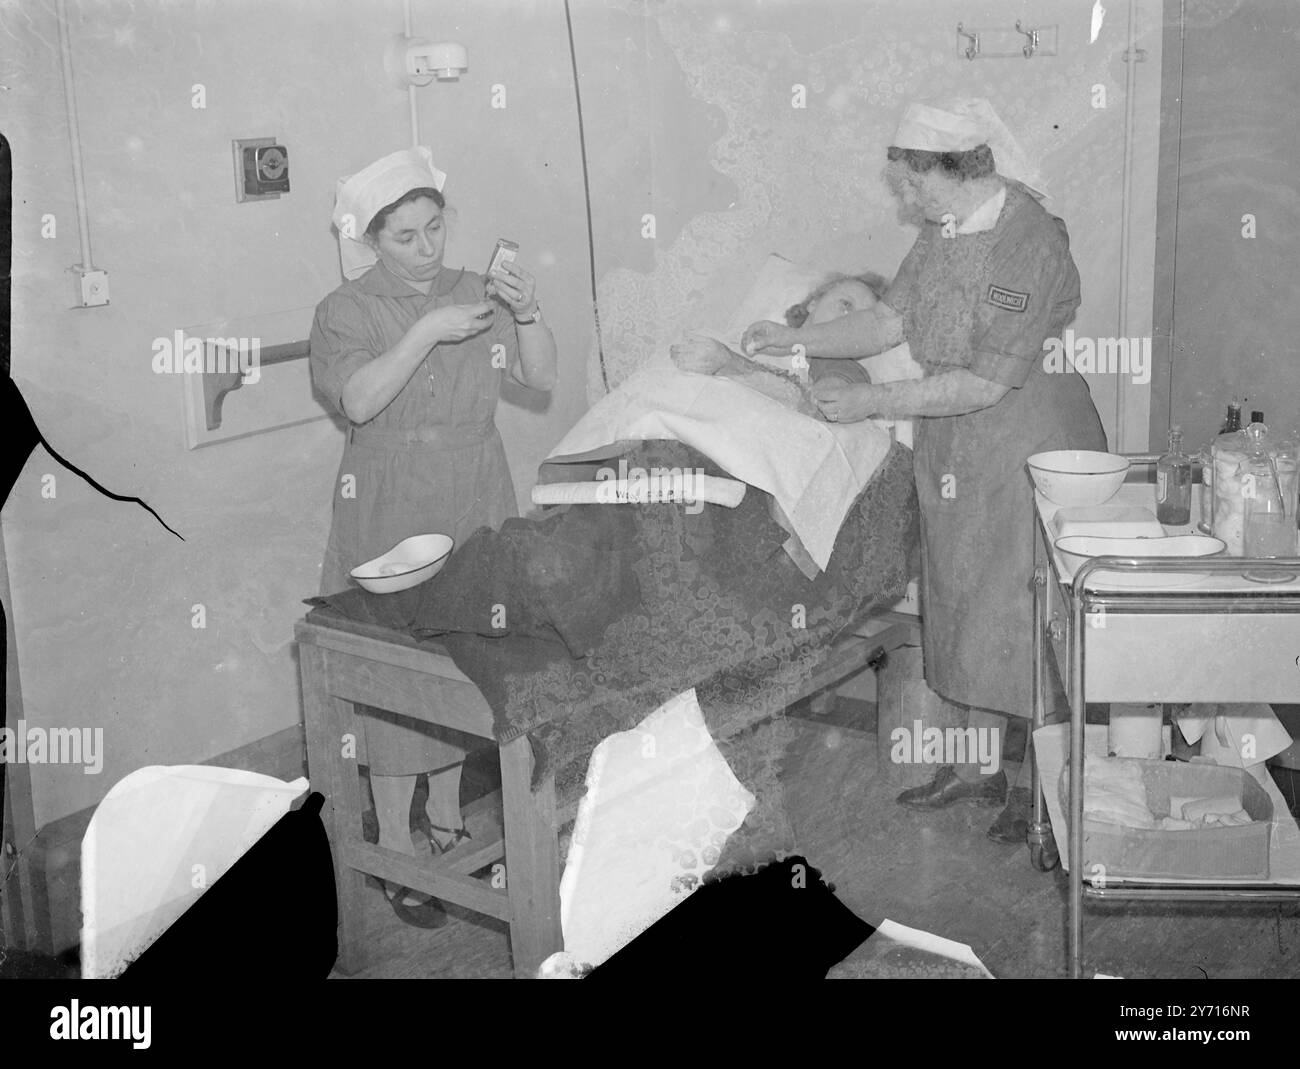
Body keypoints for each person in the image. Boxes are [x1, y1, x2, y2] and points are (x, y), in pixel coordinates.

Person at [742, 97, 1106, 844]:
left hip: (1023, 435)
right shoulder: (943, 232)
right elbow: (888, 319)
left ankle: (1040, 788)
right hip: (954, 442)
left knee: (1020, 610)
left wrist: (870, 397)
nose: (906, 196)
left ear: (959, 168)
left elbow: (984, 381)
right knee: (959, 602)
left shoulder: (1028, 238)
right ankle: (976, 770)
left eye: (914, 179)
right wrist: (792, 338)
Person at [310, 148, 557, 923]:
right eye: (405, 237)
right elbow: (357, 398)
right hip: (390, 497)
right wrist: (425, 332)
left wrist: (527, 314)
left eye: (434, 229)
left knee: (464, 659)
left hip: (475, 488)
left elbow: (541, 379)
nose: (425, 249)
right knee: (395, 669)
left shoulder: (470, 291)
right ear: (371, 241)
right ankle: (395, 841)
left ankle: (447, 816)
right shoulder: (344, 310)